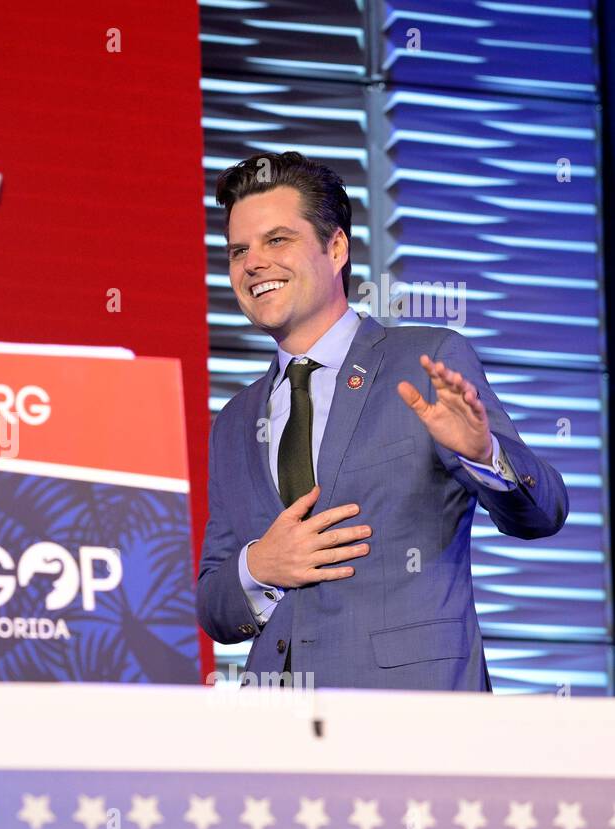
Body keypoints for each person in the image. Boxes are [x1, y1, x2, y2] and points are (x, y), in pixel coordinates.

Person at [197, 151, 568, 691]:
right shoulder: (233, 422)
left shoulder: (426, 360)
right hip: (278, 737)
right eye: (238, 250)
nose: (252, 262)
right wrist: (261, 567)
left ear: (337, 247)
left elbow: (543, 513)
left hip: (413, 721)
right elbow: (215, 606)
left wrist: (485, 455)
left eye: (277, 240)